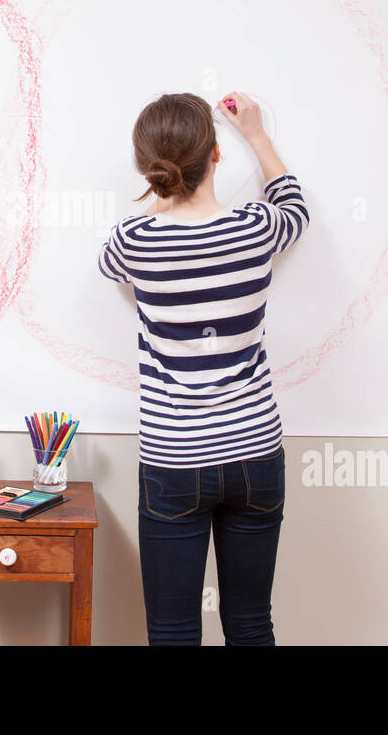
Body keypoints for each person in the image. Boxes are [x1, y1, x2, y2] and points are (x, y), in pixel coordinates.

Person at [98, 90, 310, 645]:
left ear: (147, 169)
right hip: (255, 453)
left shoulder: (135, 240)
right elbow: (296, 208)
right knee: (249, 624)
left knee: (173, 633)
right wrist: (258, 136)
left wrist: (161, 200)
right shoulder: (257, 229)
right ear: (216, 155)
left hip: (175, 457)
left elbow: (108, 264)